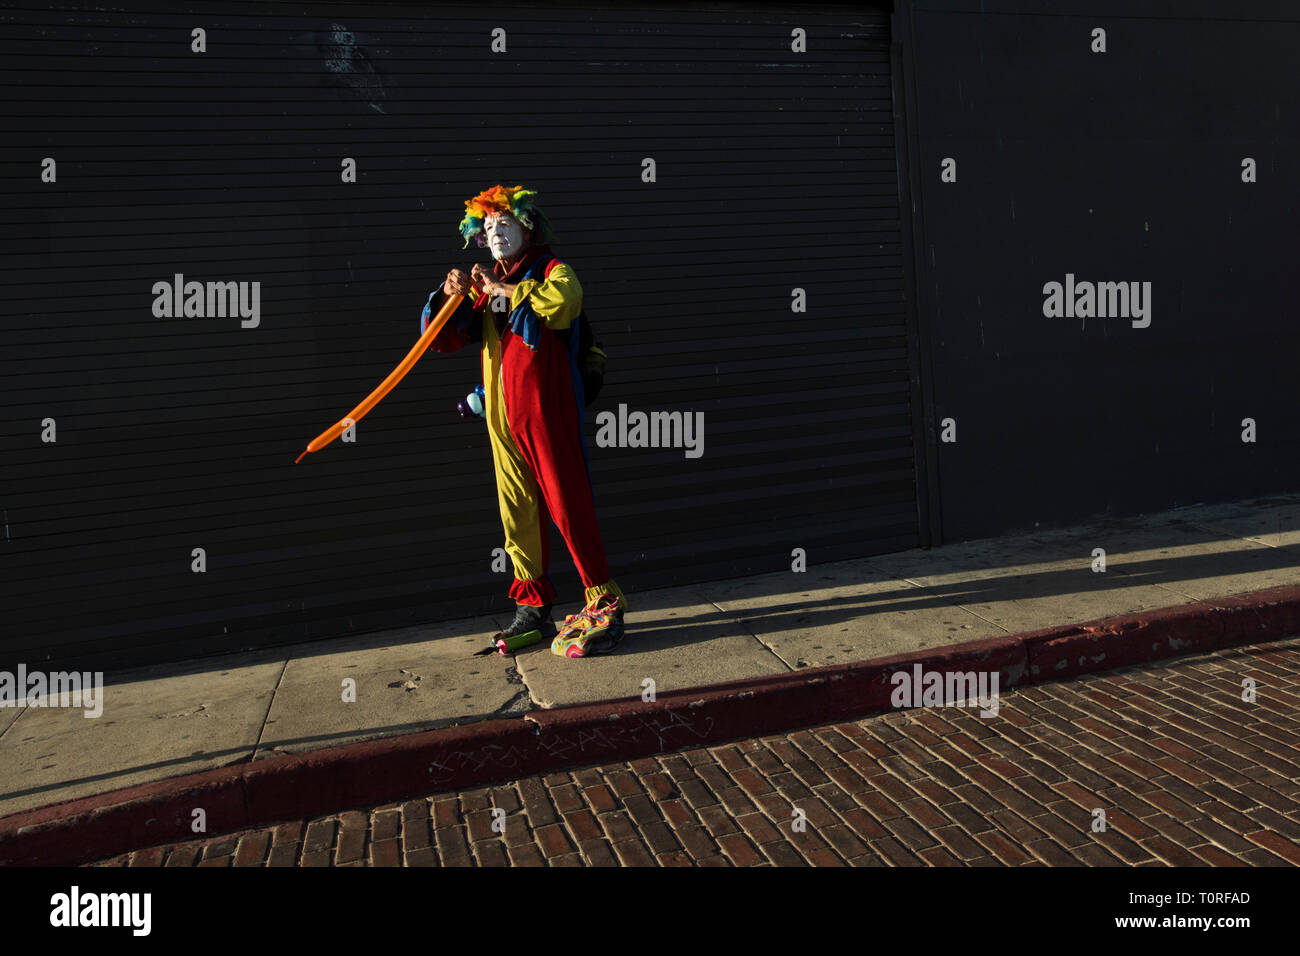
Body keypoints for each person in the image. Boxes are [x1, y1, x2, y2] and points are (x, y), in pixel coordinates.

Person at [421, 184, 626, 658]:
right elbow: (445, 338)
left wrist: (504, 289)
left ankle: (604, 601)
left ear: (527, 227)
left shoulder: (550, 270)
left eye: (504, 225)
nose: (495, 234)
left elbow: (564, 301)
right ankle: (533, 609)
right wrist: (449, 295)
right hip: (501, 419)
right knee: (516, 513)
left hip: (546, 413)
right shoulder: (488, 283)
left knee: (567, 504)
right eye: (487, 228)